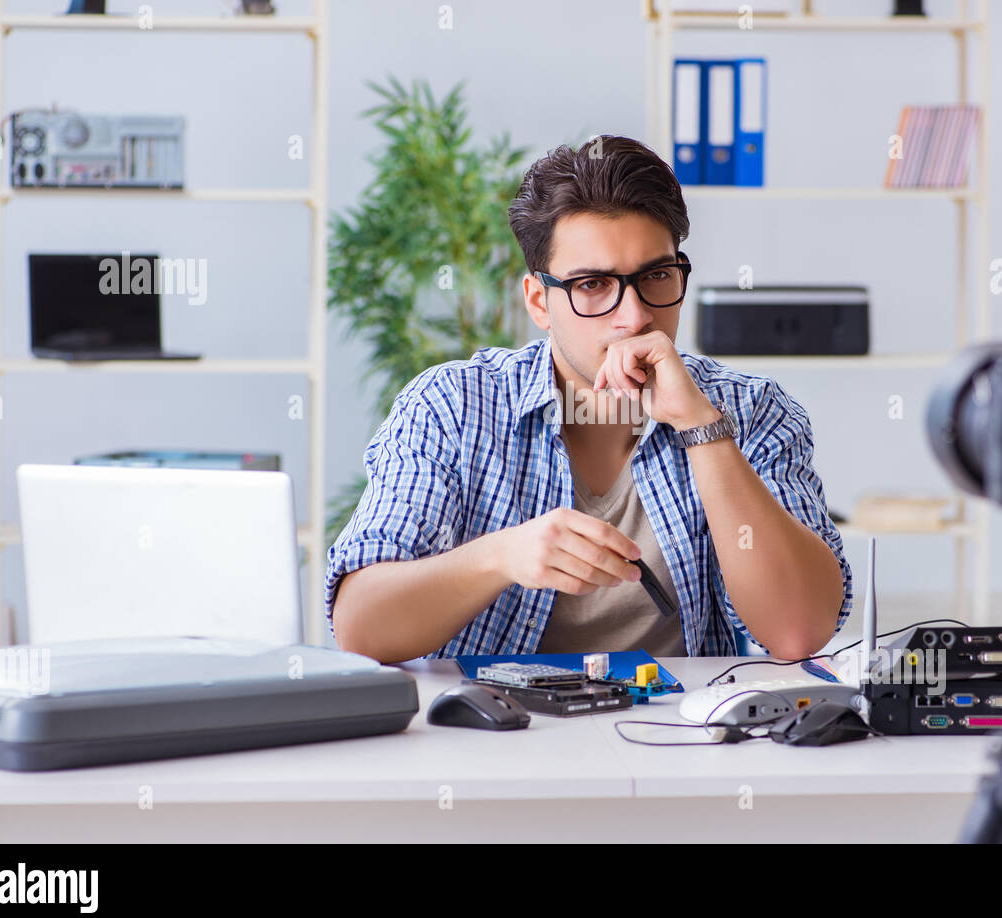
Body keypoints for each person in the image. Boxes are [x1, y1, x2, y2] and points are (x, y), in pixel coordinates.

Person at [326, 135, 852, 663]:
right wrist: (501, 557)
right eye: (594, 284)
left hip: (684, 737)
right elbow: (360, 628)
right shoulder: (452, 406)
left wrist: (700, 427)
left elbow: (798, 633)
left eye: (656, 276)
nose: (635, 316)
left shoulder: (749, 409)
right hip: (493, 736)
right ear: (539, 301)